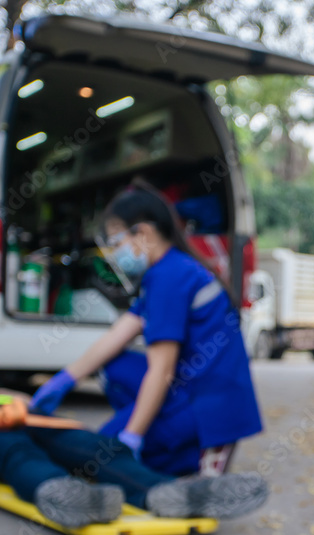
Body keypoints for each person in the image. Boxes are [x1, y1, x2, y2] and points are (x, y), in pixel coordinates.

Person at [30, 185, 263, 477]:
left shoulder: (169, 277)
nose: (115, 253)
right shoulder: (170, 269)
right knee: (113, 366)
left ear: (144, 233)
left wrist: (132, 435)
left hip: (205, 403)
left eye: (116, 242)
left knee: (100, 456)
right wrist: (64, 380)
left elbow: (162, 370)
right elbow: (116, 336)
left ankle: (189, 452)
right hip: (195, 389)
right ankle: (167, 445)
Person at [0, 385, 268, 528]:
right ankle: (65, 494)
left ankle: (167, 493)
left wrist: (7, 399)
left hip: (30, 420)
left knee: (96, 448)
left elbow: (29, 402)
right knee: (17, 454)